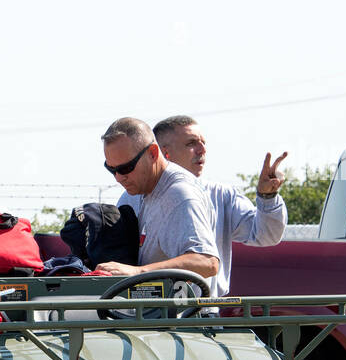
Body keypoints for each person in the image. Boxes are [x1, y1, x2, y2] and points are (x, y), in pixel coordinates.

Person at [118, 115, 287, 296]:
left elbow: (265, 234)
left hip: (204, 313)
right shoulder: (133, 197)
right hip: (149, 311)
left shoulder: (221, 195)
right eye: (191, 143)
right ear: (164, 153)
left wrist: (267, 196)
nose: (202, 149)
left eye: (203, 142)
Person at [93, 117, 219, 282]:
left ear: (152, 153)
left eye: (126, 168)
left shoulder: (180, 194)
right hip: (155, 307)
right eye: (111, 169)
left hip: (186, 308)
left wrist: (138, 272)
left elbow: (207, 262)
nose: (118, 178)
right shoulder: (133, 193)